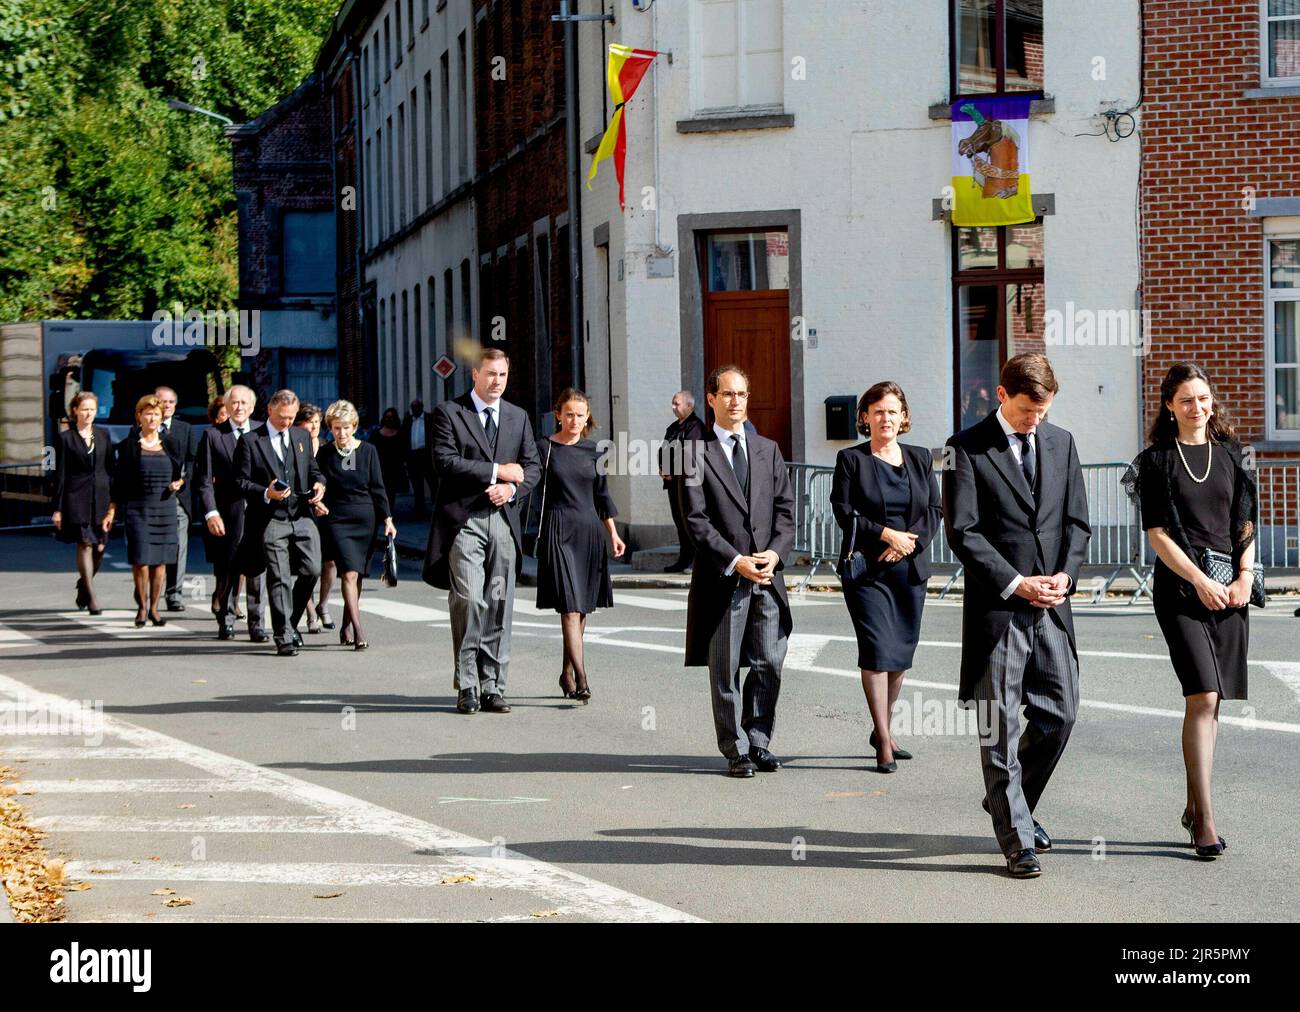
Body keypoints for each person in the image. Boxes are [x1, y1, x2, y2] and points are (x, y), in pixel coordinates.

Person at [943, 353, 1091, 879]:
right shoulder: (963, 449)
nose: (1036, 420)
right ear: (1002, 396)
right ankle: (1016, 840)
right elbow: (963, 531)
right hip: (999, 607)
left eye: (1044, 410)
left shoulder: (1062, 442)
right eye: (1029, 409)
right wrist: (1015, 581)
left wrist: (1065, 577)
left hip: (1052, 606)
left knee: (1060, 714)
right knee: (1000, 726)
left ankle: (1012, 803)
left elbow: (1076, 522)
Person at [1122, 363, 1256, 860]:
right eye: (1185, 399)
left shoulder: (1236, 456)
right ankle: (1205, 818)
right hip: (1182, 590)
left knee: (1215, 700)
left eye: (1202, 398)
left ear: (1211, 403)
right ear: (1169, 406)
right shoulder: (1155, 461)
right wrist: (1198, 580)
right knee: (1201, 692)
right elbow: (1157, 534)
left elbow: (1245, 525)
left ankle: (1193, 801)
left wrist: (1244, 578)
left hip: (1231, 592)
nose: (1196, 407)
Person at [680, 364, 795, 778]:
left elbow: (785, 511)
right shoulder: (694, 453)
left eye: (741, 394)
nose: (735, 402)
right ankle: (735, 748)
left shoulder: (768, 449)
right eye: (727, 394)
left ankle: (759, 739)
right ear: (711, 399)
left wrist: (774, 555)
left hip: (766, 576)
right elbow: (695, 520)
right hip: (725, 577)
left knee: (769, 662)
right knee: (725, 669)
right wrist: (736, 560)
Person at [830, 381, 942, 773]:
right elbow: (843, 511)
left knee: (899, 658)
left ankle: (884, 730)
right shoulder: (851, 460)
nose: (886, 418)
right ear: (865, 417)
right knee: (878, 652)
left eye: (892, 411)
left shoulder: (919, 458)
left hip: (908, 568)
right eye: (878, 411)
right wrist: (884, 533)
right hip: (868, 571)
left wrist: (908, 543)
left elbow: (933, 509)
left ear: (903, 417)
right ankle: (884, 743)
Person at [423, 348, 541, 714]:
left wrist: (512, 489)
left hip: (504, 521)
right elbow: (444, 462)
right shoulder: (450, 412)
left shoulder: (518, 417)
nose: (496, 382)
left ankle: (493, 685)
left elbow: (532, 467)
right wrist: (496, 472)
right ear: (474, 374)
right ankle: (468, 684)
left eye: (502, 375)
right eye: (490, 374)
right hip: (465, 521)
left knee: (499, 604)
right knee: (470, 599)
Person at [536, 388, 625, 702]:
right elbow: (528, 483)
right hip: (558, 529)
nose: (575, 420)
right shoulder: (543, 448)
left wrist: (613, 533)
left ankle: (567, 673)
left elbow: (601, 496)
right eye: (569, 414)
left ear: (588, 417)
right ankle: (583, 679)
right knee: (570, 608)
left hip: (589, 531)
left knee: (582, 608)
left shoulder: (594, 451)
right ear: (558, 414)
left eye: (581, 414)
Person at [234, 389, 327, 657]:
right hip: (270, 519)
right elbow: (240, 481)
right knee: (279, 577)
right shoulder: (251, 441)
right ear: (270, 411)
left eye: (291, 417)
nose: (287, 422)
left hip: (301, 515)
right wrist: (266, 492)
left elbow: (313, 470)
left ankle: (291, 620)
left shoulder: (301, 437)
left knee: (312, 569)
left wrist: (320, 485)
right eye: (283, 417)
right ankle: (283, 635)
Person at [316, 399, 396, 650]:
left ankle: (347, 624)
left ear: (354, 426)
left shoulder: (369, 451)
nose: (341, 433)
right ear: (330, 428)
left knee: (357, 573)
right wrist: (317, 502)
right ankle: (359, 629)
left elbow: (378, 487)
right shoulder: (325, 453)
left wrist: (388, 519)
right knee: (348, 572)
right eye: (336, 428)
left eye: (346, 427)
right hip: (336, 518)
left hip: (365, 518)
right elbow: (317, 482)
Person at [194, 386, 268, 642]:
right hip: (228, 511)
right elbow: (203, 479)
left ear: (252, 406)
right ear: (225, 406)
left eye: (243, 403)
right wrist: (211, 512)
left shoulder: (263, 431)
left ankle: (257, 624)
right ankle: (226, 619)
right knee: (229, 567)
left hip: (259, 509)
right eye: (233, 403)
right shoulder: (213, 435)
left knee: (257, 568)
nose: (239, 407)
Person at [112, 394, 185, 628]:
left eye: (156, 413)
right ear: (139, 417)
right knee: (141, 561)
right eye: (147, 413)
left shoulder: (171, 443)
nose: (152, 418)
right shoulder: (128, 447)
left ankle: (154, 608)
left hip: (165, 507)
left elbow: (181, 472)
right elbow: (119, 480)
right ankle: (141, 607)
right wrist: (112, 508)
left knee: (160, 563)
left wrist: (179, 483)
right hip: (138, 508)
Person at [52, 392, 115, 615]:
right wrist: (57, 508)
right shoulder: (64, 439)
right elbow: (58, 474)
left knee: (99, 546)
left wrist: (113, 504)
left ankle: (82, 587)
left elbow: (110, 468)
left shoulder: (104, 435)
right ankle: (92, 597)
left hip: (100, 498)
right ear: (75, 411)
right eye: (84, 409)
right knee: (85, 544)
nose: (88, 413)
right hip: (75, 498)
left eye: (92, 409)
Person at [154, 386, 199, 613]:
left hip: (179, 496)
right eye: (163, 402)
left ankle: (174, 593)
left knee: (179, 545)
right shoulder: (144, 429)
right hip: (154, 498)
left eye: (171, 402)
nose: (168, 406)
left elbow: (192, 461)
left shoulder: (186, 429)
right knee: (155, 547)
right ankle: (149, 592)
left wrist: (183, 481)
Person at [659, 390, 707, 573]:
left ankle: (696, 561)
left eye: (676, 403)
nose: (673, 407)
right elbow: (663, 449)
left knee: (691, 521)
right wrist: (663, 468)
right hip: (673, 484)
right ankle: (684, 559)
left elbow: (691, 454)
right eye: (673, 403)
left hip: (689, 485)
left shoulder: (695, 427)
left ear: (689, 405)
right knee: (680, 522)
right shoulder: (673, 428)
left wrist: (674, 471)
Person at [295, 404, 332, 634]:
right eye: (309, 424)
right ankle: (309, 612)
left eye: (317, 423)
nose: (314, 427)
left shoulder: (327, 448)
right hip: (303, 510)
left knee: (329, 562)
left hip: (326, 511)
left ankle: (323, 603)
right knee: (306, 566)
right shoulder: (296, 447)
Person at [370, 408, 408, 512]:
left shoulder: (400, 434)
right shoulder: (376, 435)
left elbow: (404, 451)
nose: (389, 419)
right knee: (380, 490)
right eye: (387, 417)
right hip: (380, 467)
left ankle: (388, 511)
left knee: (391, 492)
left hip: (394, 468)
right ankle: (381, 510)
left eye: (391, 417)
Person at [402, 398, 436, 515]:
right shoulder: (408, 420)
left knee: (432, 482)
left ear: (422, 407)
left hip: (426, 455)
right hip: (413, 456)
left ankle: (435, 507)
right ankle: (419, 509)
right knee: (417, 484)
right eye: (413, 407)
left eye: (417, 407)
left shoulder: (429, 418)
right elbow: (404, 438)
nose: (414, 409)